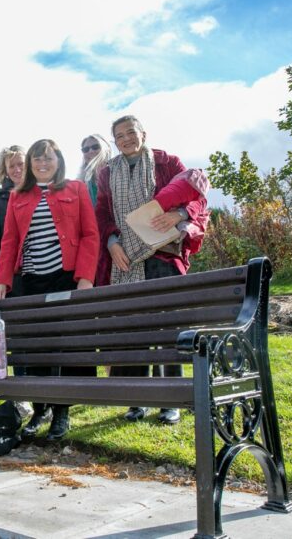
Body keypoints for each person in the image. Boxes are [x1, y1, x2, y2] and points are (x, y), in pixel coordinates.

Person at [95, 115, 209, 424]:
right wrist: (112, 242)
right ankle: (139, 399)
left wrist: (179, 214)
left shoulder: (166, 161)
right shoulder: (106, 174)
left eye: (131, 132)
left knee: (168, 329)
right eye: (119, 136)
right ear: (115, 142)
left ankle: (171, 399)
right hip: (126, 260)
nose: (126, 139)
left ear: (142, 133)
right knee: (133, 331)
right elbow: (103, 214)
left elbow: (196, 195)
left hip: (162, 255)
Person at [0, 139, 99, 441]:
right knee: (35, 346)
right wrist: (2, 280)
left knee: (64, 346)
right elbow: (9, 241)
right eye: (37, 159)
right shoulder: (17, 196)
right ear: (30, 164)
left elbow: (90, 235)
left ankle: (61, 412)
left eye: (48, 158)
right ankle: (41, 409)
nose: (42, 163)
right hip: (31, 279)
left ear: (58, 160)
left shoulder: (75, 189)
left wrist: (85, 277)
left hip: (66, 277)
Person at [0, 145, 26, 294]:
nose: (17, 169)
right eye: (12, 166)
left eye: (20, 164)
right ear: (6, 170)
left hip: (43, 274)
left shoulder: (43, 193)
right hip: (13, 278)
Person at [78, 134, 112, 207]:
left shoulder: (116, 172)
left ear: (106, 148)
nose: (90, 151)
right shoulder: (81, 182)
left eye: (95, 147)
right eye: (85, 149)